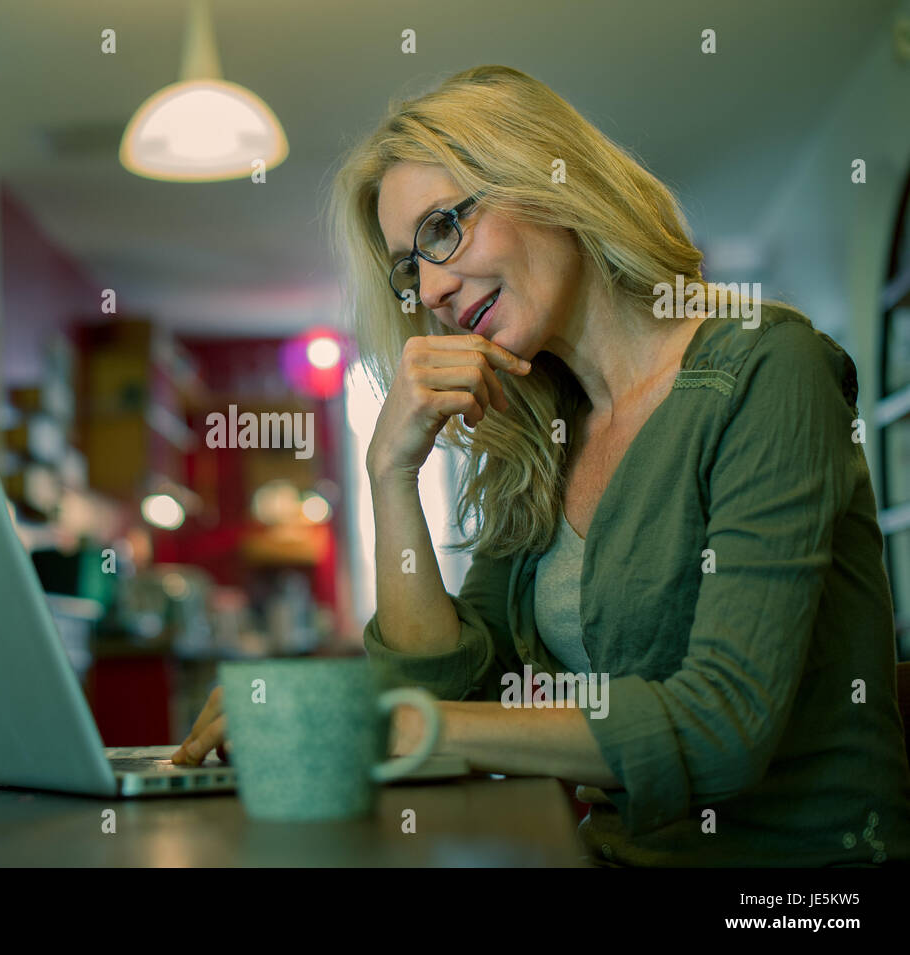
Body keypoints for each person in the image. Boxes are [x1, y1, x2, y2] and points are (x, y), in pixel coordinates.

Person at [172, 64, 910, 866]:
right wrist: (390, 472)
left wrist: (386, 720)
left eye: (443, 229)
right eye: (408, 270)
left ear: (546, 178)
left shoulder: (770, 369)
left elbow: (722, 726)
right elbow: (455, 695)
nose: (434, 289)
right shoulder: (543, 433)